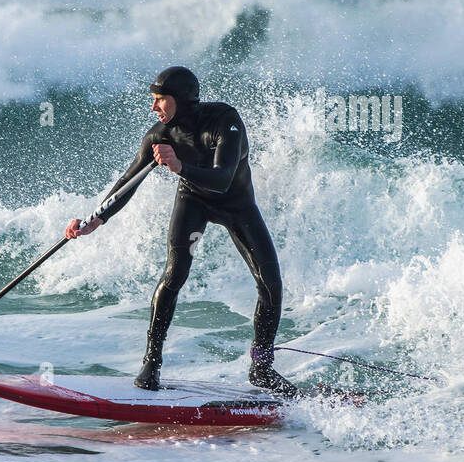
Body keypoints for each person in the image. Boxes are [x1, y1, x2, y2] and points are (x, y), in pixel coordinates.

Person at [65, 66, 297, 396]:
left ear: (181, 100)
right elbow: (126, 185)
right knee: (174, 273)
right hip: (193, 201)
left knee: (271, 284)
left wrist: (179, 167)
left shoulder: (224, 121)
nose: (154, 107)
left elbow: (224, 178)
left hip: (236, 204)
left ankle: (261, 368)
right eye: (154, 100)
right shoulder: (158, 136)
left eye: (160, 100)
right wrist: (93, 220)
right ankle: (151, 361)